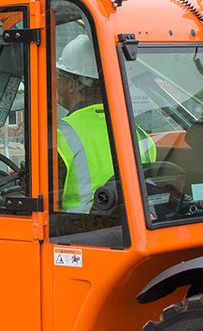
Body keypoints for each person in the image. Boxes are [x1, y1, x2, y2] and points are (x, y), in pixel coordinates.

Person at [54, 35, 156, 211]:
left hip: (75, 232)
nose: (54, 82)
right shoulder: (140, 135)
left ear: (71, 85)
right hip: (124, 228)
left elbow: (43, 199)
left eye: (58, 77)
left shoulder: (60, 137)